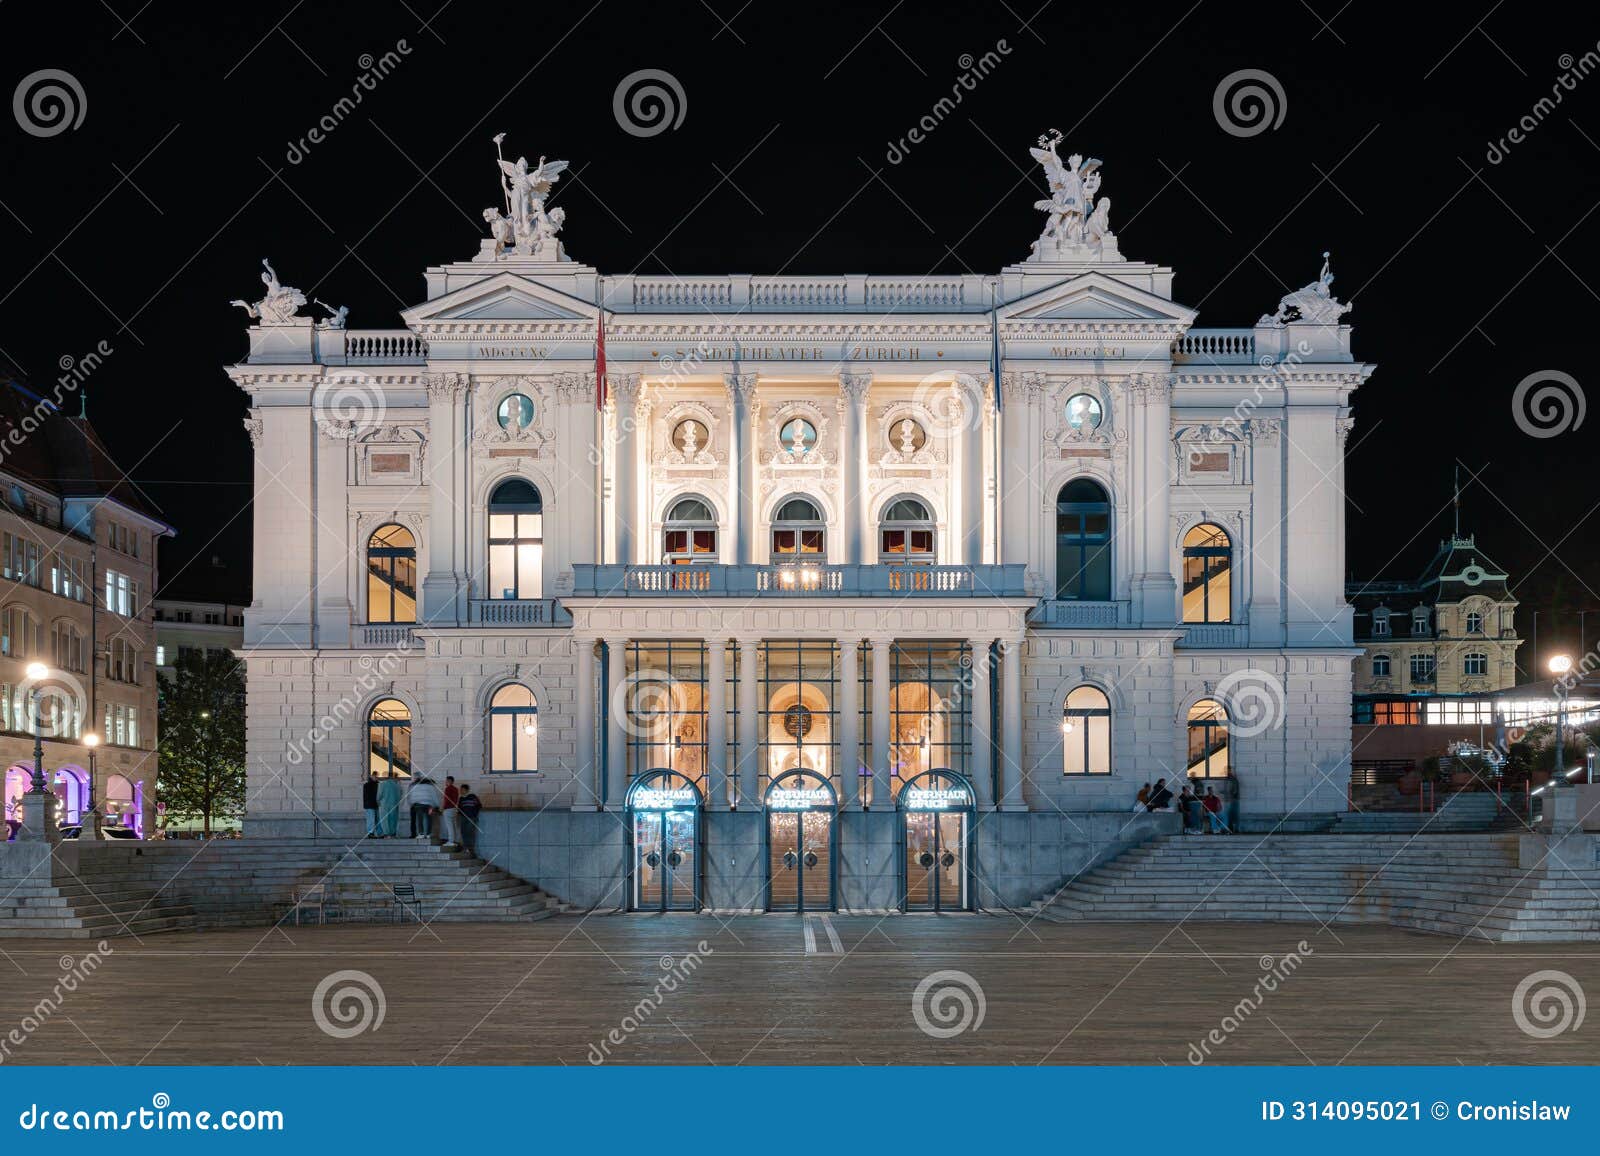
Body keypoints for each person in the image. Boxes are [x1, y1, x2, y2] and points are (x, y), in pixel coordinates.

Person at [458, 784, 482, 855]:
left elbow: (479, 805)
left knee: (469, 833)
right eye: (460, 790)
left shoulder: (472, 797)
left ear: (467, 790)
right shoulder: (461, 799)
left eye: (462, 789)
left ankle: (470, 849)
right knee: (463, 832)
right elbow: (459, 808)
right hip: (463, 818)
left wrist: (474, 814)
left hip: (471, 817)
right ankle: (466, 848)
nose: (461, 791)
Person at [440, 775, 461, 849]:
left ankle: (451, 841)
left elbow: (446, 800)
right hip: (454, 809)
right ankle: (455, 840)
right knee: (454, 826)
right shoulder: (456, 789)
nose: (445, 782)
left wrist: (442, 808)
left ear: (449, 781)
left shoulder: (448, 789)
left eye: (446, 781)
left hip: (448, 809)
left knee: (449, 826)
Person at [362, 773, 380, 838]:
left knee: (377, 819)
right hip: (370, 805)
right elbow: (367, 796)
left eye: (376, 776)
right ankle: (371, 833)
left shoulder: (378, 784)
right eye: (374, 776)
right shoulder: (367, 785)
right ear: (371, 776)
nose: (376, 777)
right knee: (371, 819)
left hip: (375, 805)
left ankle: (378, 833)